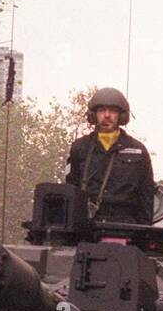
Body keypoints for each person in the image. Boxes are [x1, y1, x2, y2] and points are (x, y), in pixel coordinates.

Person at [64, 86, 155, 225]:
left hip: (125, 225)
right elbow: (71, 188)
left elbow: (146, 195)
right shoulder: (80, 148)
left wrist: (143, 233)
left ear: (121, 116)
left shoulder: (138, 150)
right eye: (101, 110)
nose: (107, 115)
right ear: (93, 115)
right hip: (87, 224)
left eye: (112, 110)